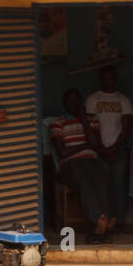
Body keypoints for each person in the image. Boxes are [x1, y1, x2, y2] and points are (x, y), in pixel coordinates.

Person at [49, 88, 113, 242]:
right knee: (83, 178)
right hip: (70, 165)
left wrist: (83, 119)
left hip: (92, 162)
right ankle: (99, 220)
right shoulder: (57, 124)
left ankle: (105, 220)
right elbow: (63, 152)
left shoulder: (91, 120)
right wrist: (85, 147)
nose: (74, 104)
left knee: (103, 175)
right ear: (64, 104)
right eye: (70, 102)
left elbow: (95, 143)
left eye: (77, 101)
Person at [86, 65, 133, 235]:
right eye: (105, 78)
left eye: (111, 77)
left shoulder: (123, 100)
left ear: (115, 79)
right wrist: (102, 149)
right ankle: (104, 220)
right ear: (101, 79)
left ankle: (118, 221)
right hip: (99, 150)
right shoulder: (92, 100)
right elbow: (91, 128)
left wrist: (113, 149)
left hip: (118, 150)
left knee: (119, 185)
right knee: (102, 185)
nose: (109, 81)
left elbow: (126, 128)